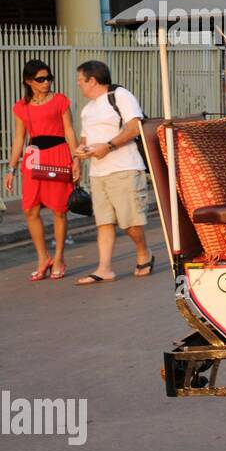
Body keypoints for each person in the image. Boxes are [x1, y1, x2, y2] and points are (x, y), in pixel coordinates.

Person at [72, 62, 153, 285]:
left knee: (130, 222)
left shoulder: (120, 95)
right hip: (98, 173)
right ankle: (104, 268)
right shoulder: (87, 109)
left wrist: (108, 146)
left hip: (124, 167)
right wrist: (80, 153)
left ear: (92, 80)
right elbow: (85, 138)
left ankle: (144, 253)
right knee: (104, 222)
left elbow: (134, 127)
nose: (78, 83)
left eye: (80, 79)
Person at [4, 60, 79, 280]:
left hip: (58, 154)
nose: (46, 83)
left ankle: (58, 258)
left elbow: (69, 131)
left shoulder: (60, 101)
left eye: (48, 78)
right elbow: (19, 138)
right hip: (33, 158)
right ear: (28, 82)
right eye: (40, 79)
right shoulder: (21, 107)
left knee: (58, 209)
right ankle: (42, 257)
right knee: (30, 209)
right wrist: (11, 168)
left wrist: (76, 160)